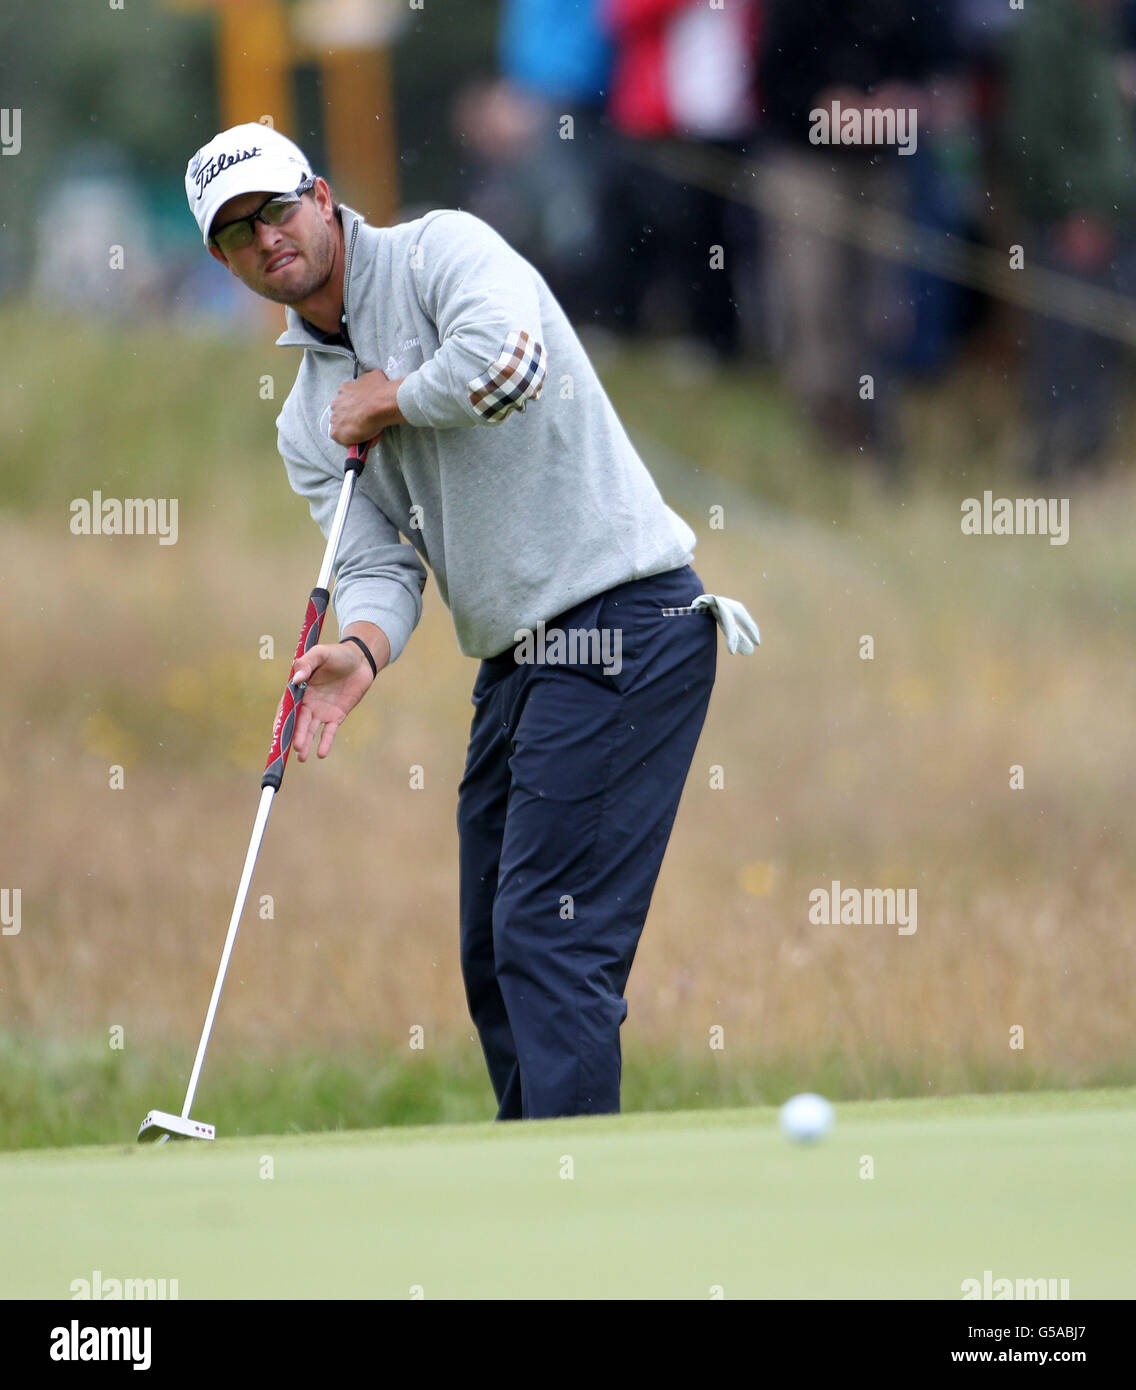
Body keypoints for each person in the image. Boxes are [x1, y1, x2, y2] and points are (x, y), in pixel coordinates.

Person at [183, 123, 759, 1121]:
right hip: (516, 657)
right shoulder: (305, 418)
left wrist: (390, 402)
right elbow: (373, 563)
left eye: (273, 210)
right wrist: (360, 648)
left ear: (319, 196)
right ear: (224, 260)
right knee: (493, 948)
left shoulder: (442, 251)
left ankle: (573, 1208)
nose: (263, 240)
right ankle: (533, 1182)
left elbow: (507, 367)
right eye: (235, 234)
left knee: (549, 929)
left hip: (625, 617)